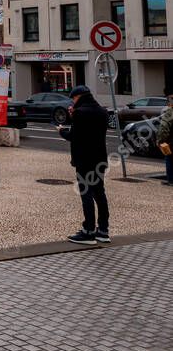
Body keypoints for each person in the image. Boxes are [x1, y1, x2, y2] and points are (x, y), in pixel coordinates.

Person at [58, 84, 110, 245]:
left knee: (86, 193)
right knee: (99, 193)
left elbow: (74, 136)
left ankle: (88, 231)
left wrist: (61, 131)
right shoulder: (103, 112)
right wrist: (74, 115)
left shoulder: (80, 113)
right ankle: (103, 231)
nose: (73, 102)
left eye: (73, 99)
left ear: (78, 97)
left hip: (84, 160)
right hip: (100, 159)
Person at [156, 92, 173, 186]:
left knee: (169, 159)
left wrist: (160, 141)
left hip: (171, 142)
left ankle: (171, 180)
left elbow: (163, 128)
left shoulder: (170, 112)